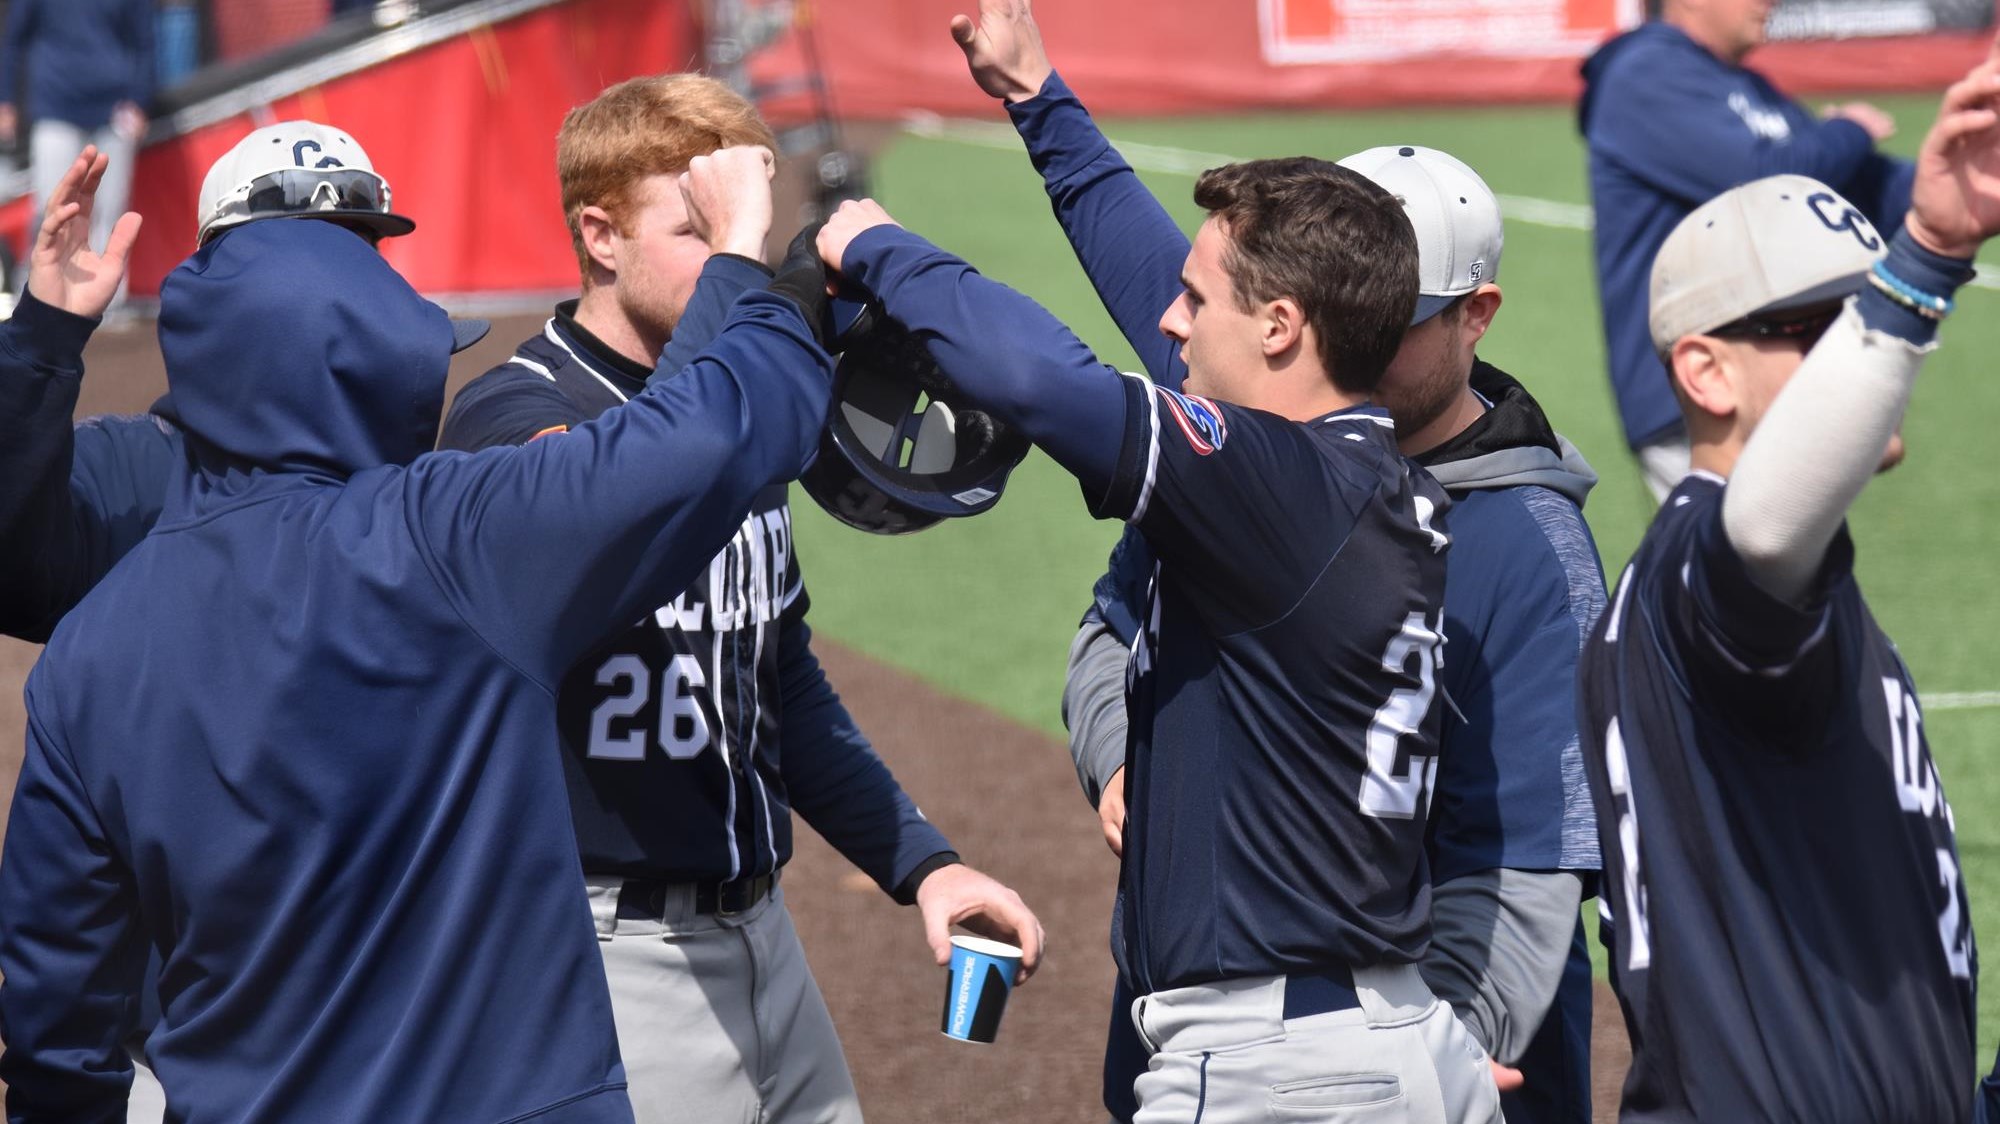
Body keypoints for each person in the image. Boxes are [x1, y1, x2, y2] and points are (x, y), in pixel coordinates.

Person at [0, 138, 844, 1119]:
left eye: (362, 243)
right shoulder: (451, 540)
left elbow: (56, 997)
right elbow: (715, 436)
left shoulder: (94, 648)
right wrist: (738, 252)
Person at [948, 5, 1603, 1119]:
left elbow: (1532, 847)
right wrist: (1122, 761)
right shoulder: (1249, 451)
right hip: (1201, 1013)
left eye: (1397, 315)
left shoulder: (1527, 542)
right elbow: (1111, 635)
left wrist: (1452, 1037)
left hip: (1426, 1048)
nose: (1346, 329)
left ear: (1474, 317)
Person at [815, 143, 1502, 1117]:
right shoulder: (1386, 487)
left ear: (1278, 324)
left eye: (1193, 298)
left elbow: (1037, 380)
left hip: (1282, 1069)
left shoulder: (1281, 486)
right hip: (1390, 1035)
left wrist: (877, 245)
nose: (1169, 321)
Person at [436, 73, 1042, 1123]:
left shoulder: (727, 406)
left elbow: (774, 678)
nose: (743, 260)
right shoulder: (508, 417)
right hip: (601, 952)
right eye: (703, 228)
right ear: (599, 233)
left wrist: (923, 864)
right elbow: (612, 499)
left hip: (765, 941)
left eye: (747, 232)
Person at [1578, 43, 2000, 1122]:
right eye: (1820, 325)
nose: (1871, 348)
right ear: (1703, 371)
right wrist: (1922, 264)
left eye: (1863, 314)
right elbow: (1759, 522)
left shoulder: (1773, 591)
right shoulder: (1701, 573)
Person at [1580, 0, 1914, 501]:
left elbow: (1852, 192)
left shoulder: (1745, 85)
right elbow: (1766, 182)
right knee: (1747, 570)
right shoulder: (1643, 74)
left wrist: (1965, 176)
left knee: (1803, 573)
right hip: (1697, 395)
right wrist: (1851, 130)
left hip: (1780, 370)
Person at [0, 0, 152, 313]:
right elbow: (14, 39)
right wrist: (6, 101)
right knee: (50, 208)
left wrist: (139, 101)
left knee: (110, 213)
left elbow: (145, 41)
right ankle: (37, 301)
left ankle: (104, 306)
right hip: (56, 108)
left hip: (113, 113)